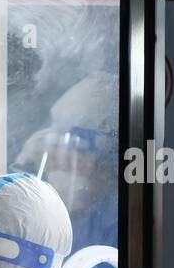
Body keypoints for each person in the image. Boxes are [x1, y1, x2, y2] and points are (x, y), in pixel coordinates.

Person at [12, 71, 119, 250]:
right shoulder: (42, 215)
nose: (60, 165)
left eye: (77, 155)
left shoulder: (116, 220)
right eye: (54, 157)